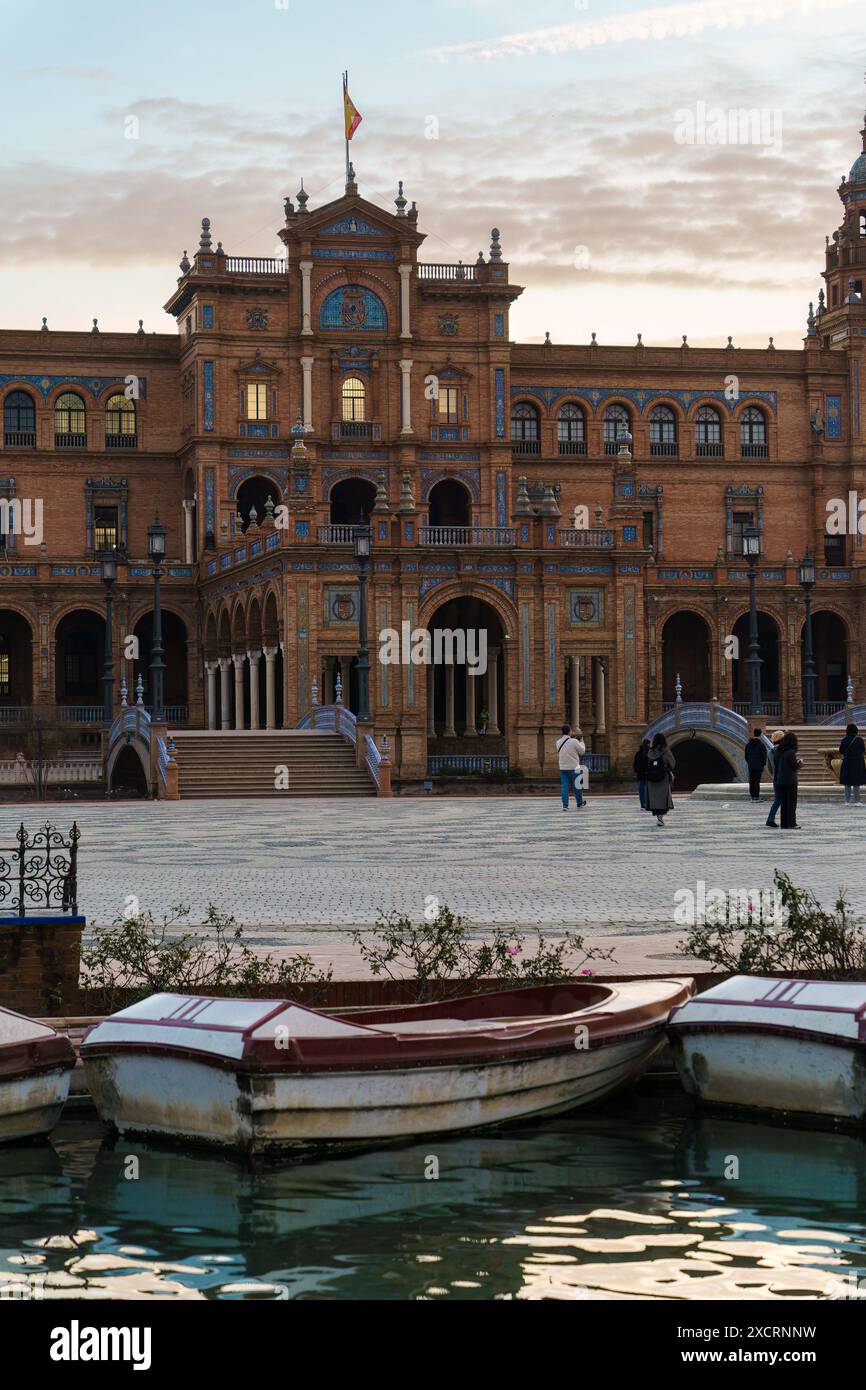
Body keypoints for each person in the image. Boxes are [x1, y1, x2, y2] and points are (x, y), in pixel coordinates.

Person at [645, 732, 675, 827]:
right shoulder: (666, 751)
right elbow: (673, 763)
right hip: (663, 777)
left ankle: (658, 817)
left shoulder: (650, 752)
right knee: (662, 799)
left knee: (654, 799)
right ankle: (661, 818)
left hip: (651, 778)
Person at [775, 731, 802, 829]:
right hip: (790, 781)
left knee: (784, 803)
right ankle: (791, 823)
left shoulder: (780, 751)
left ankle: (784, 823)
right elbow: (794, 767)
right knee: (791, 803)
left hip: (780, 780)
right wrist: (800, 763)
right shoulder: (791, 752)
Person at [556, 724, 586, 812]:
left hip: (563, 767)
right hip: (574, 767)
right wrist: (581, 742)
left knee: (564, 787)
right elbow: (582, 751)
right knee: (577, 786)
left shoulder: (558, 742)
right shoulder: (574, 741)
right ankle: (579, 803)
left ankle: (565, 805)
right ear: (569, 731)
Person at [838, 723, 866, 804]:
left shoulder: (844, 739)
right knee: (856, 783)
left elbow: (841, 751)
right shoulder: (859, 739)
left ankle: (847, 801)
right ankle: (857, 801)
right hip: (858, 763)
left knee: (847, 783)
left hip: (847, 762)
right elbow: (863, 750)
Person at [765, 728, 786, 828]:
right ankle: (773, 819)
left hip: (776, 778)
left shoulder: (770, 752)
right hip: (784, 778)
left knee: (778, 799)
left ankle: (771, 818)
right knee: (784, 799)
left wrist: (773, 775)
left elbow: (769, 767)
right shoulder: (784, 751)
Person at [744, 728, 767, 801]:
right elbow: (764, 756)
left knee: (751, 781)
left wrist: (749, 762)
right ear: (760, 734)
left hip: (750, 765)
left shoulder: (748, 744)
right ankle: (756, 796)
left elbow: (746, 756)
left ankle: (752, 796)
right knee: (757, 781)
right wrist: (763, 764)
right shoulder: (761, 745)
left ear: (754, 733)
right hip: (759, 766)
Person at [633, 738, 651, 809]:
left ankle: (642, 804)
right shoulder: (649, 753)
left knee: (641, 788)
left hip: (640, 774)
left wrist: (637, 771)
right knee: (647, 788)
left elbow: (634, 765)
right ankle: (647, 803)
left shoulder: (638, 753)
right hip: (647, 773)